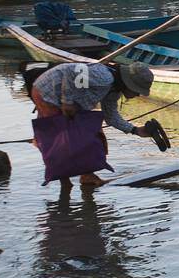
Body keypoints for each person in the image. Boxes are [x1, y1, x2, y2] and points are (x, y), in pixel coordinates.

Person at [29, 61, 157, 188]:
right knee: (63, 141)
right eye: (137, 90)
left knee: (93, 137)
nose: (138, 94)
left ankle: (87, 176)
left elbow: (111, 117)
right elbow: (70, 73)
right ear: (129, 84)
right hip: (48, 92)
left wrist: (135, 130)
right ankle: (65, 183)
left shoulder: (113, 91)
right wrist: (66, 101)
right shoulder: (104, 77)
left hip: (74, 101)